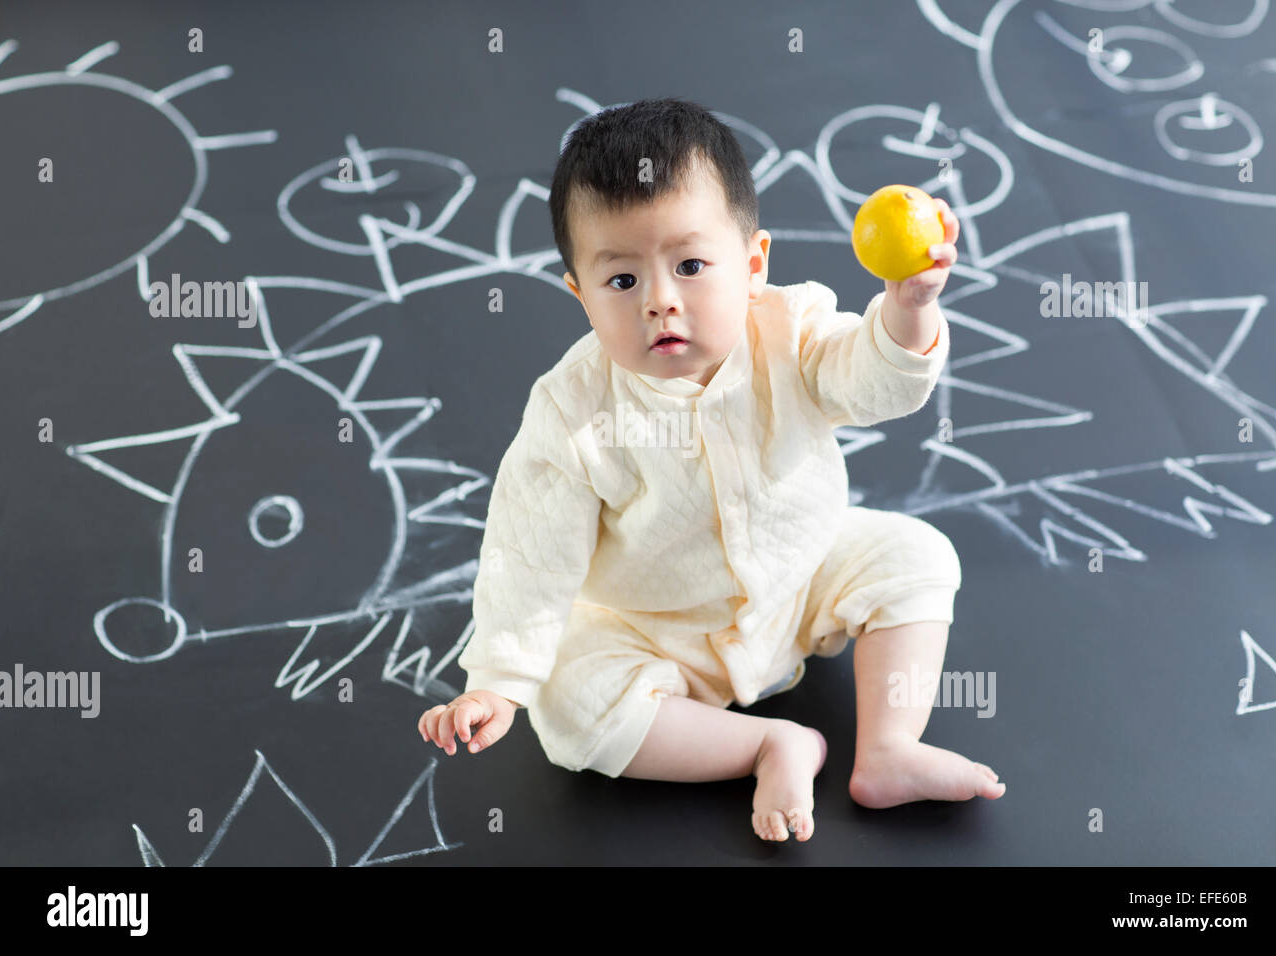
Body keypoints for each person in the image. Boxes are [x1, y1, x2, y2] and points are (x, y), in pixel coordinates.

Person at [417, 97, 1004, 843]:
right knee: (566, 707)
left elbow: (875, 384)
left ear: (753, 265)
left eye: (691, 266)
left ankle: (889, 749)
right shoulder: (571, 412)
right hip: (658, 632)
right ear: (579, 295)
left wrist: (909, 307)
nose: (661, 302)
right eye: (622, 282)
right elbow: (529, 552)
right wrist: (499, 682)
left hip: (800, 582)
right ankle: (767, 745)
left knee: (917, 556)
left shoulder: (792, 331)